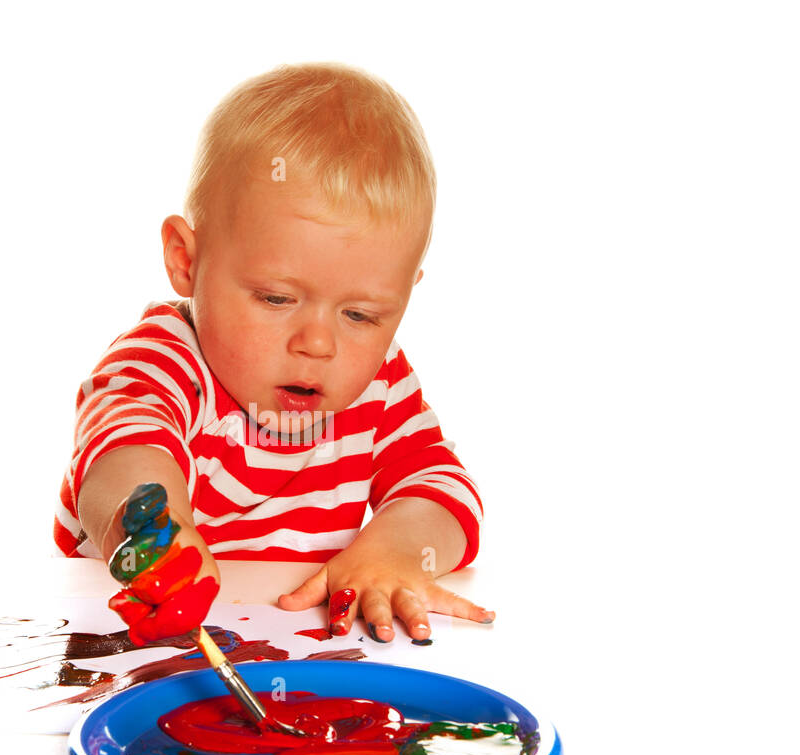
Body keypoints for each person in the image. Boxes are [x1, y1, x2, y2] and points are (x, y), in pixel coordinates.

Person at [54, 63, 494, 644]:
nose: (317, 343)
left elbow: (442, 485)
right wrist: (151, 533)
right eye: (276, 297)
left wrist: (394, 554)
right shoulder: (165, 359)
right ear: (188, 260)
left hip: (299, 659)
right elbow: (126, 443)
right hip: (131, 648)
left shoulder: (380, 385)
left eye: (361, 315)